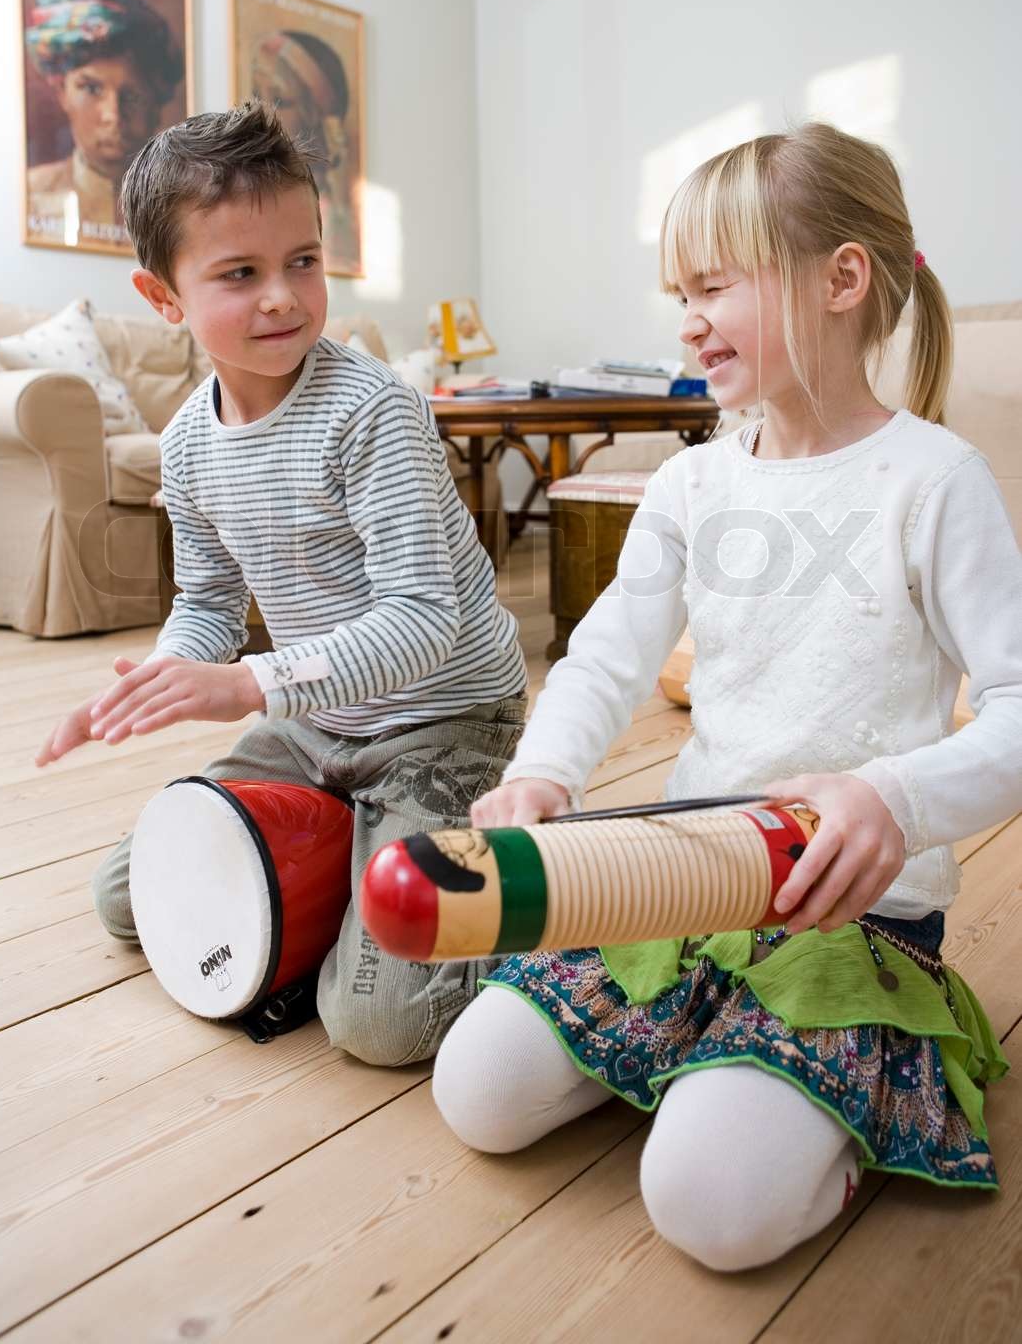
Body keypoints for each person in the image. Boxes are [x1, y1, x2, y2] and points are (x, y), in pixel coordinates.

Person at [432, 122, 1022, 1270]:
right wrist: (539, 772)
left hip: (852, 914)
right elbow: (603, 659)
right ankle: (711, 1058)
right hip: (682, 879)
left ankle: (828, 1115)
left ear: (840, 279)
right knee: (478, 1093)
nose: (688, 318)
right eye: (680, 292)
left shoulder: (934, 480)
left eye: (713, 285)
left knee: (706, 1206)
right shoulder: (691, 480)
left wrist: (892, 798)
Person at [36, 99, 527, 1068]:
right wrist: (155, 679)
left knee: (374, 1028)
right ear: (163, 296)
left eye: (302, 260)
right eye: (240, 273)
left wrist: (248, 684)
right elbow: (209, 604)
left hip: (444, 716)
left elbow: (425, 618)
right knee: (127, 900)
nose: (282, 296)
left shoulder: (372, 409)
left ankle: (512, 858)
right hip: (316, 726)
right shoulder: (186, 443)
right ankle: (360, 850)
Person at [25, 0, 183, 246]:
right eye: (92, 89)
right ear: (62, 93)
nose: (113, 115)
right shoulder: (30, 195)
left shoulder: (186, 209)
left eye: (132, 95)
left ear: (157, 102)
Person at [251, 30, 359, 269]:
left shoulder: (329, 218)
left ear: (314, 115)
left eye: (280, 100)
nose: (262, 115)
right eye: (257, 96)